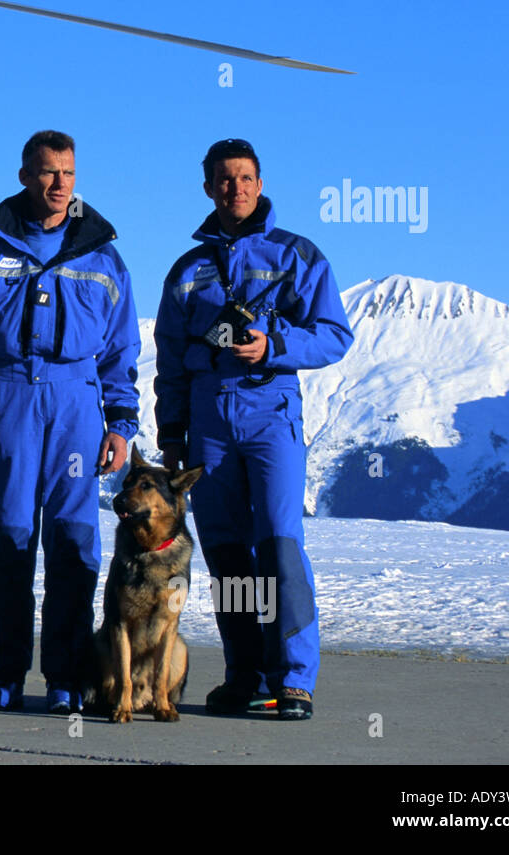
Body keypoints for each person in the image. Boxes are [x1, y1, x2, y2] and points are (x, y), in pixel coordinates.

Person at [0, 130, 141, 714]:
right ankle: (2, 674)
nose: (59, 184)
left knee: (74, 543)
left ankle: (67, 678)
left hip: (78, 404)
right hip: (13, 397)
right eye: (48, 172)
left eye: (68, 173)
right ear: (25, 175)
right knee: (9, 539)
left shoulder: (104, 258)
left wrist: (121, 425)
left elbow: (121, 354)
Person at [153, 138, 353, 721]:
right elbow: (169, 358)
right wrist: (172, 433)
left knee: (279, 542)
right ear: (208, 186)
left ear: (260, 185)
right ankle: (246, 673)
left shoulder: (299, 256)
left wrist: (276, 344)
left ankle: (293, 678)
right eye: (223, 179)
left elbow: (335, 335)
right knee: (225, 552)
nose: (234, 188)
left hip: (271, 410)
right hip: (209, 419)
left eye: (244, 179)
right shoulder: (187, 272)